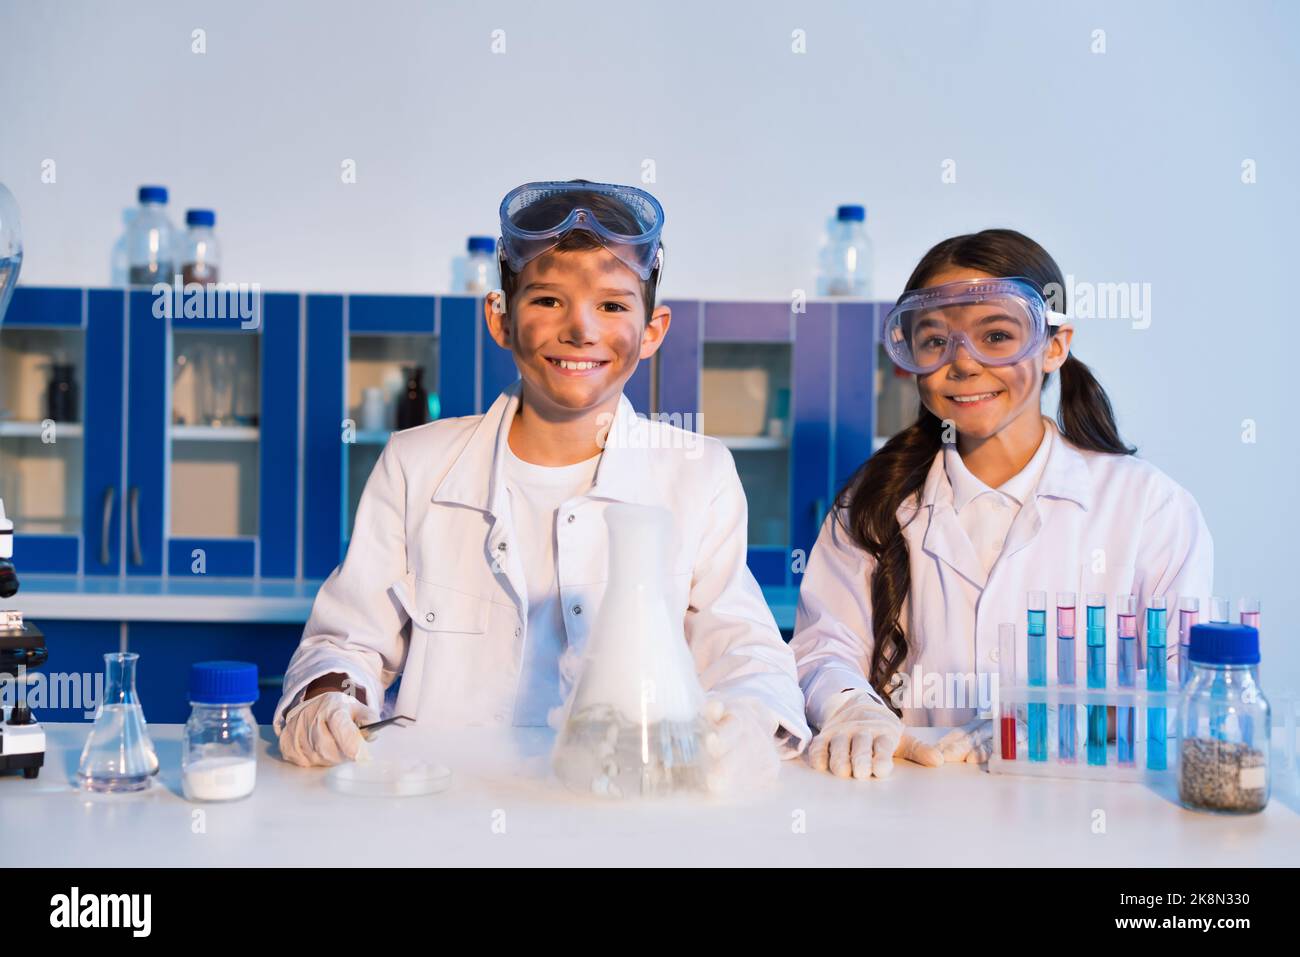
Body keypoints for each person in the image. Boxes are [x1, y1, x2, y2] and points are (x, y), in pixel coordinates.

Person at [274, 180, 810, 788]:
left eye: (612, 305)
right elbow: (346, 642)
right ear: (499, 319)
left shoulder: (698, 474)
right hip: (446, 804)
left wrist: (748, 718)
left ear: (653, 330)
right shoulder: (415, 463)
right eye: (549, 300)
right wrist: (327, 697)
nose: (581, 330)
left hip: (625, 804)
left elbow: (746, 652)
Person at [791, 228, 1212, 780]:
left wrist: (1065, 721)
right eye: (936, 340)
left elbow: (1189, 684)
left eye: (995, 336)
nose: (962, 364)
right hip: (914, 817)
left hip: (1084, 816)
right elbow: (824, 646)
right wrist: (851, 708)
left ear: (1054, 345)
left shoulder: (1148, 508)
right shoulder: (870, 504)